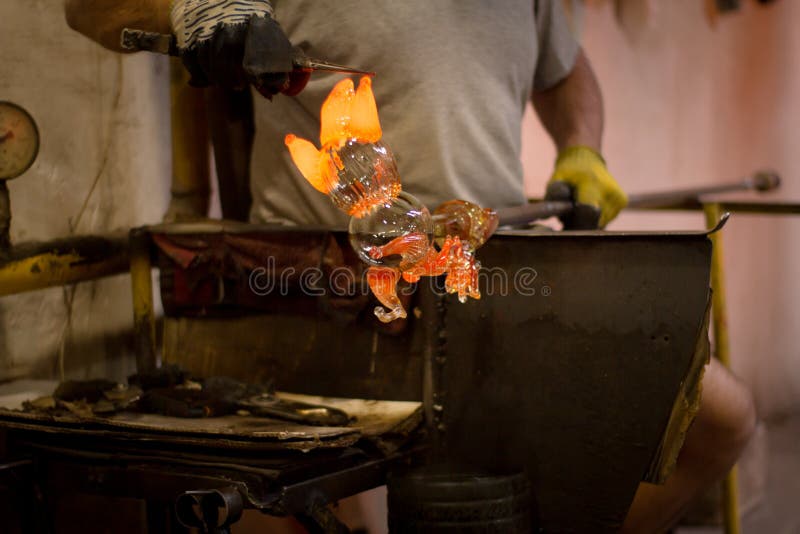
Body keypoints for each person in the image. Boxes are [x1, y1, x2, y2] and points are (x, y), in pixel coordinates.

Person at [64, 1, 756, 531]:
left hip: (491, 277)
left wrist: (583, 148)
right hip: (321, 291)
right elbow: (91, 7)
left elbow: (567, 70)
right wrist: (196, 8)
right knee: (283, 505)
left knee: (720, 421)